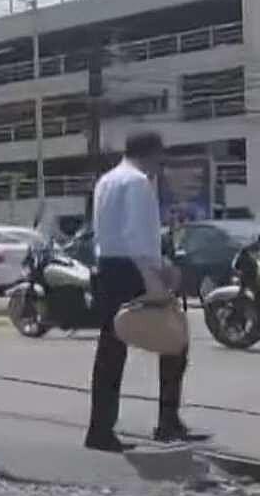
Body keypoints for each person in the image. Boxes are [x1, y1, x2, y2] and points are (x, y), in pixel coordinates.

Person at [86, 131, 207, 452]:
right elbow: (137, 237)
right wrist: (155, 276)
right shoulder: (138, 182)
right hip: (133, 270)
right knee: (174, 341)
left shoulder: (107, 181)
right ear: (152, 153)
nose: (161, 164)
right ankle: (168, 421)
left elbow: (109, 233)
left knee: (110, 351)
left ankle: (99, 429)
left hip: (109, 268)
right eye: (160, 157)